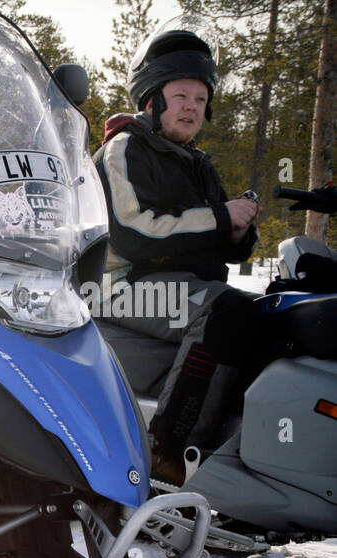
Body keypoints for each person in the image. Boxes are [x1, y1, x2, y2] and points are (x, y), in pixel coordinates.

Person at [94, 16, 265, 485]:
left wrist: (236, 232)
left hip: (179, 287)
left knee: (273, 316)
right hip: (118, 285)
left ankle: (245, 462)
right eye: (181, 97)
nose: (191, 108)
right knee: (223, 312)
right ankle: (166, 454)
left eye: (200, 99)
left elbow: (217, 244)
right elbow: (131, 232)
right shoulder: (125, 148)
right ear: (153, 100)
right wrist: (218, 219)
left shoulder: (198, 164)